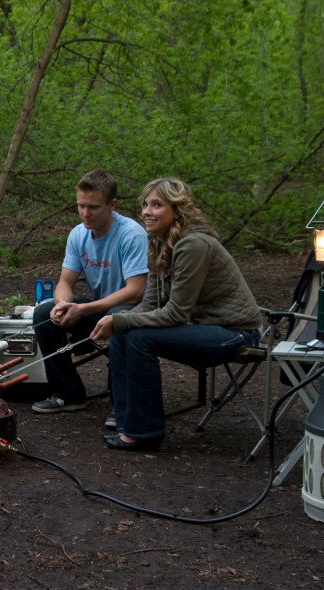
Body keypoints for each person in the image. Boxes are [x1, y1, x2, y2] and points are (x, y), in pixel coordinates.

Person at [90, 178, 262, 450]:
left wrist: (121, 320)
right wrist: (119, 320)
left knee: (138, 337)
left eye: (157, 205)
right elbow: (151, 303)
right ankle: (128, 424)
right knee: (125, 329)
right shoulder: (161, 241)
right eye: (145, 204)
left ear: (177, 209)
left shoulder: (193, 244)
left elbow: (175, 313)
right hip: (209, 327)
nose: (147, 211)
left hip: (236, 333)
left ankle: (145, 433)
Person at [31, 169, 148, 421]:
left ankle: (122, 405)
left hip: (136, 310)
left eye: (93, 207)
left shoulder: (132, 234)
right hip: (99, 308)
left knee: (117, 317)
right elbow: (65, 281)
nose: (86, 213)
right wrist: (63, 305)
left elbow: (136, 292)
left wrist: (84, 309)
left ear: (112, 204)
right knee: (44, 313)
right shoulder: (78, 234)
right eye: (81, 206)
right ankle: (68, 394)